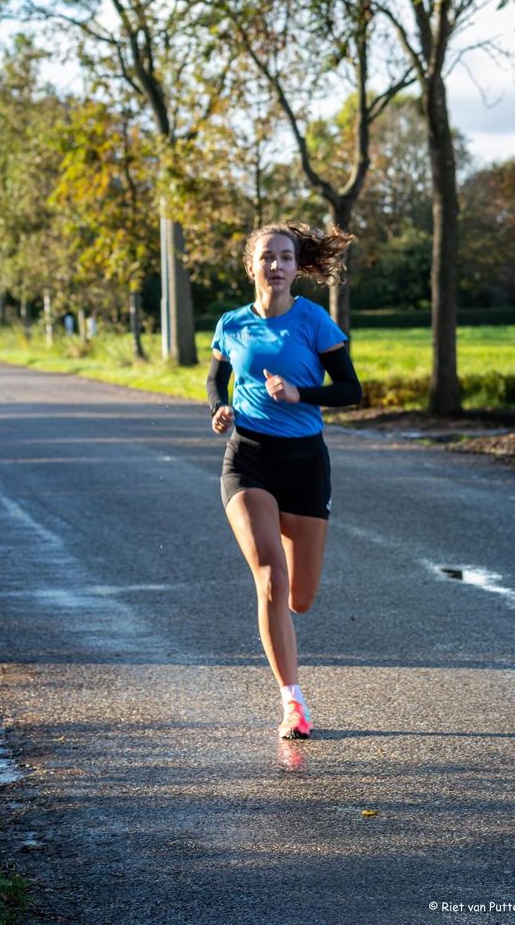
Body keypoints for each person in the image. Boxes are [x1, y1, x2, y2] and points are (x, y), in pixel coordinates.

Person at [206, 222, 362, 740]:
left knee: (300, 598)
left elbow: (351, 390)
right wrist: (219, 407)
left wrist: (300, 394)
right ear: (251, 266)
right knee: (271, 579)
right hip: (248, 457)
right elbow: (216, 378)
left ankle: (291, 675)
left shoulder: (313, 320)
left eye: (286, 257)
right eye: (267, 257)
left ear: (297, 268)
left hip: (305, 463)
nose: (276, 265)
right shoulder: (232, 323)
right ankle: (292, 702)